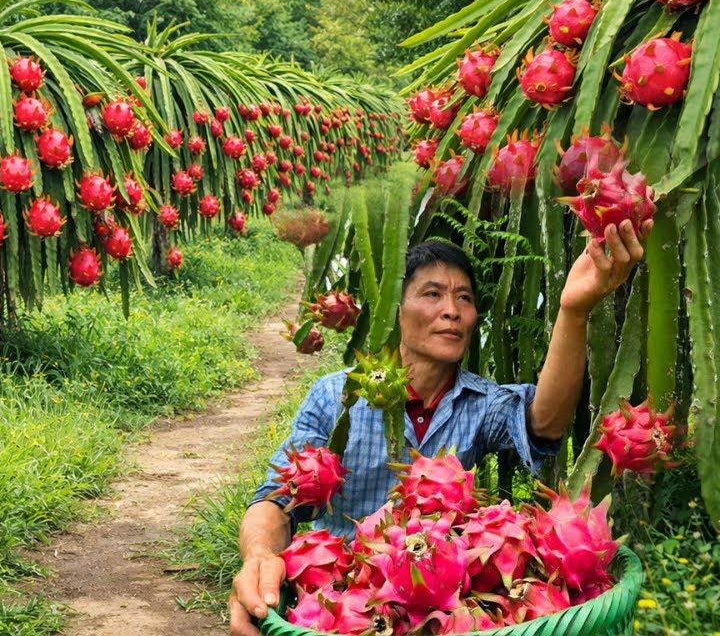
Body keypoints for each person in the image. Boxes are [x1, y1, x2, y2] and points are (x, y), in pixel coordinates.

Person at [228, 219, 651, 635]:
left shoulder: (481, 403)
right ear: (396, 309)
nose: (452, 310)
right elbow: (276, 499)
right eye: (433, 294)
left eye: (463, 298)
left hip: (436, 606)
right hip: (342, 601)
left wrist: (573, 310)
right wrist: (261, 555)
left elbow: (544, 421)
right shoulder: (333, 395)